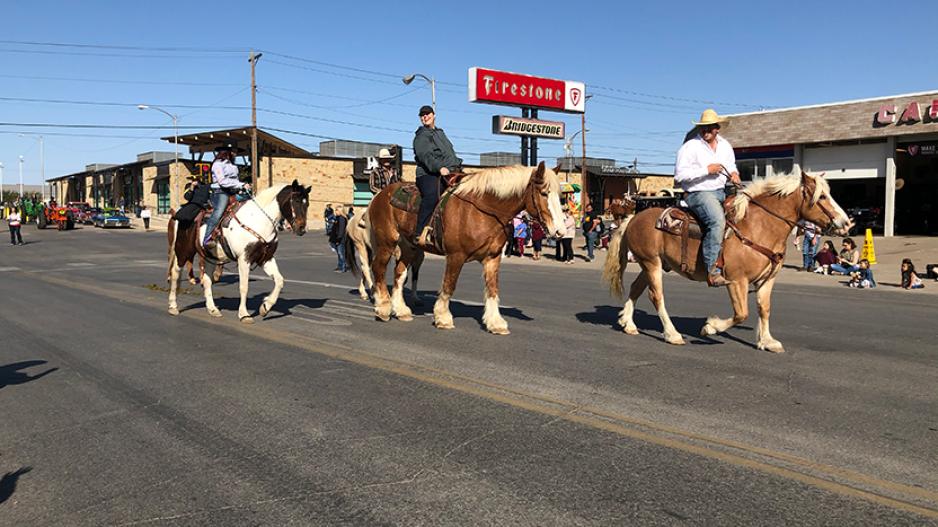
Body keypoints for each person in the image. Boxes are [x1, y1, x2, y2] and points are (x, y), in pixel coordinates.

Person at [674, 109, 740, 287]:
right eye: (703, 128)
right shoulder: (690, 147)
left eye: (709, 128)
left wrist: (734, 173)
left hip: (721, 190)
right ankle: (712, 269)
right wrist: (706, 170)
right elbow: (679, 176)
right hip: (697, 193)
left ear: (717, 128)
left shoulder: (725, 146)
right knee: (717, 221)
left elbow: (731, 165)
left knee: (743, 216)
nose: (706, 131)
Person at [413, 105, 462, 246]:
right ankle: (420, 232)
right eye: (422, 115)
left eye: (427, 114)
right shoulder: (421, 135)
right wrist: (439, 167)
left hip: (451, 171)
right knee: (432, 195)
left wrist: (457, 166)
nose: (425, 117)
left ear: (434, 115)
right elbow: (425, 155)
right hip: (428, 173)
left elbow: (450, 153)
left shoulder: (440, 134)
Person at [203, 145, 249, 246]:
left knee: (249, 201)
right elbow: (222, 181)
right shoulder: (217, 164)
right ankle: (207, 238)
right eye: (234, 152)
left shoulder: (233, 165)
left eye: (236, 152)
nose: (235, 154)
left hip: (233, 191)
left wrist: (243, 187)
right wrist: (241, 184)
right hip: (220, 191)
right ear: (227, 152)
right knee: (219, 211)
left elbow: (235, 181)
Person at [329, 204, 349, 272]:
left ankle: (343, 267)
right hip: (337, 238)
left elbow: (341, 230)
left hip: (341, 239)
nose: (335, 211)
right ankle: (339, 266)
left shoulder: (342, 218)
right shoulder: (337, 218)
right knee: (339, 253)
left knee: (341, 253)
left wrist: (339, 239)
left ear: (340, 211)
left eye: (337, 210)